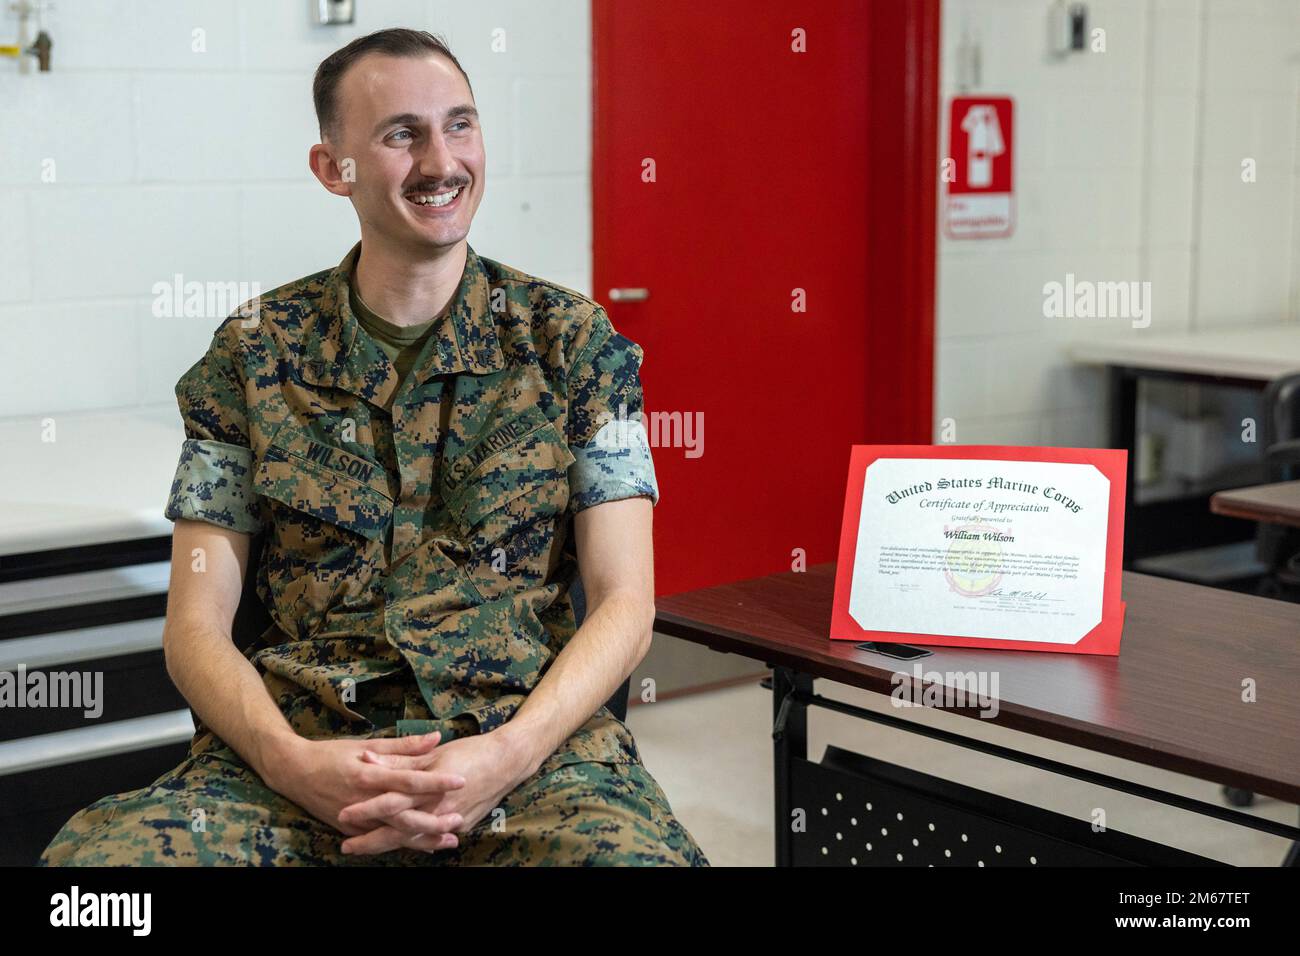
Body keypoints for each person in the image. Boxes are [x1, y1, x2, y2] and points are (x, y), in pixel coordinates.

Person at [40, 27, 707, 867]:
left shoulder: (573, 345)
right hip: (299, 755)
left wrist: (505, 757)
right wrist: (292, 765)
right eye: (402, 134)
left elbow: (624, 603)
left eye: (459, 125)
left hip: (527, 758)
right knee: (96, 882)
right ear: (333, 168)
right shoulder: (253, 356)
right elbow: (195, 627)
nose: (441, 162)